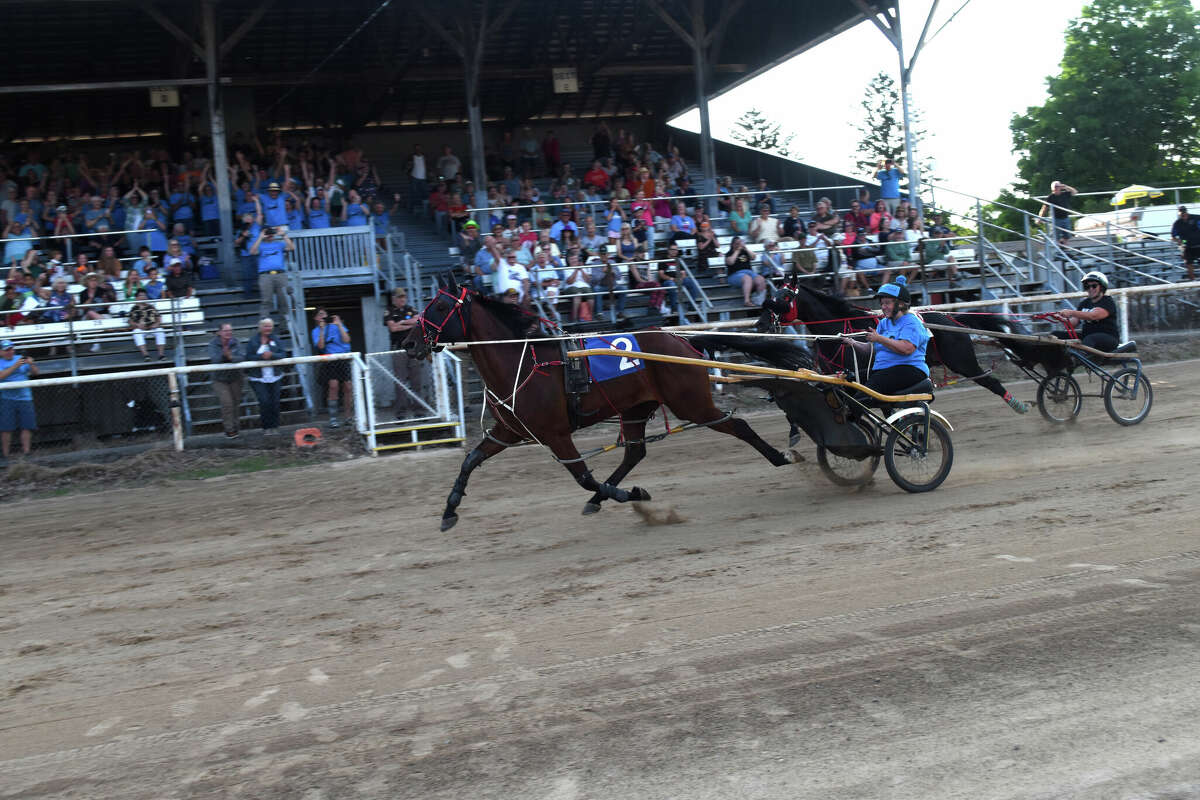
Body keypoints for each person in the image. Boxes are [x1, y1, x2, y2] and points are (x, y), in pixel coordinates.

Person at [839, 276, 931, 397]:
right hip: (884, 370)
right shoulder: (884, 323)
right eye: (882, 303)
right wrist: (852, 343)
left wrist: (879, 338)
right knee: (846, 382)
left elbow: (906, 349)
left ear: (901, 304)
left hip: (910, 370)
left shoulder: (911, 322)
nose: (883, 307)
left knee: (865, 393)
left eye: (887, 303)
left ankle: (852, 412)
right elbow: (870, 350)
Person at [384, 288, 425, 419]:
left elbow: (418, 320)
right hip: (398, 349)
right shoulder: (389, 311)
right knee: (400, 382)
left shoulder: (410, 309)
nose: (403, 299)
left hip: (413, 349)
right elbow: (393, 328)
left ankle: (418, 409)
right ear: (394, 298)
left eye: (404, 297)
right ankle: (401, 411)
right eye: (400, 297)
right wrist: (409, 325)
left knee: (416, 380)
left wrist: (402, 322)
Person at [311, 307, 353, 428]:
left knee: (348, 387)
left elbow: (347, 340)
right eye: (320, 315)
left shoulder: (336, 326)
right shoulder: (315, 331)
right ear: (316, 318)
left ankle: (348, 416)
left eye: (324, 314)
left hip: (343, 358)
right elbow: (320, 346)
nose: (323, 316)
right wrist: (322, 329)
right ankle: (333, 418)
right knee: (333, 386)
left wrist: (339, 325)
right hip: (330, 360)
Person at [244, 318, 287, 436]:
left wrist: (272, 355)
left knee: (275, 402)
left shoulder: (276, 339)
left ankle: (275, 426)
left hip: (275, 377)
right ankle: (266, 427)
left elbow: (283, 354)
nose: (268, 328)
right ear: (260, 327)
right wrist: (261, 356)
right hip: (258, 378)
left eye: (270, 326)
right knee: (264, 402)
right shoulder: (253, 341)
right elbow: (248, 357)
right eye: (265, 326)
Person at [1057, 271, 1118, 352]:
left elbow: (1093, 316)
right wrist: (1061, 319)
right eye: (1087, 286)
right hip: (1087, 337)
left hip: (1109, 338)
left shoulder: (1107, 301)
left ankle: (1079, 361)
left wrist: (1071, 312)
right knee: (1056, 335)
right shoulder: (1084, 303)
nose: (1090, 289)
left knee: (1090, 339)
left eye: (1094, 286)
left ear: (1102, 287)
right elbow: (1073, 323)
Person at [0, 339, 38, 461]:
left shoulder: (20, 358)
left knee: (26, 426)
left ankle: (27, 453)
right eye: (6, 350)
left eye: (10, 349)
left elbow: (36, 373)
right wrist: (15, 366)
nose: (9, 352)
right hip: (7, 398)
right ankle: (5, 455)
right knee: (6, 428)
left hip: (25, 398)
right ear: (0, 352)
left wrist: (31, 364)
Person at [248, 227, 294, 324]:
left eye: (271, 233)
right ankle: (264, 324)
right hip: (265, 276)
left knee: (283, 300)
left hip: (280, 274)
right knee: (266, 301)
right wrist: (260, 237)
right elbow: (252, 252)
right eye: (268, 233)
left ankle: (285, 326)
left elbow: (291, 248)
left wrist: (283, 235)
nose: (270, 235)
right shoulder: (261, 245)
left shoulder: (279, 244)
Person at [208, 322, 244, 438]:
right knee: (227, 403)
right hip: (219, 379)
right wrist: (225, 357)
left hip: (235, 377)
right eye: (225, 330)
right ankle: (229, 429)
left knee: (236, 403)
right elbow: (214, 359)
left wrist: (231, 357)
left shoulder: (236, 342)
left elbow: (242, 357)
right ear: (219, 332)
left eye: (230, 330)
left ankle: (236, 426)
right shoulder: (213, 344)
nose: (229, 332)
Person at [725, 236, 766, 307]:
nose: (739, 245)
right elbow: (730, 262)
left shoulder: (745, 251)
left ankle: (759, 301)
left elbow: (754, 257)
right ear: (732, 244)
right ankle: (747, 301)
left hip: (749, 272)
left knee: (760, 279)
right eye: (737, 243)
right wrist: (737, 251)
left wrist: (746, 248)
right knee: (747, 278)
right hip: (735, 274)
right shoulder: (729, 253)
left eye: (740, 243)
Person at [128, 289, 167, 361]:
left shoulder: (151, 307)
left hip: (152, 327)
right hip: (141, 328)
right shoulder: (134, 308)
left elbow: (158, 317)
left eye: (144, 295)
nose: (143, 297)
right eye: (141, 295)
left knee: (160, 330)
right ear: (137, 298)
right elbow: (130, 321)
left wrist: (156, 324)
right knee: (136, 332)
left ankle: (161, 355)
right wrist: (137, 325)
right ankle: (146, 355)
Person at [1038, 180, 1078, 245]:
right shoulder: (1050, 197)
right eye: (1055, 187)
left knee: (1067, 236)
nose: (1056, 188)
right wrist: (1040, 218)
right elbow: (1044, 208)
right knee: (1056, 237)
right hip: (1056, 219)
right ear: (1052, 188)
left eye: (1058, 186)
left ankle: (1064, 250)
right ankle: (1059, 249)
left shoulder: (1065, 194)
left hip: (1065, 218)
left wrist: (1065, 186)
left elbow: (1075, 192)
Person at [1170, 205, 1200, 281]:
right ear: (1179, 214)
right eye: (1182, 214)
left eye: (1184, 213)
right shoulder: (1177, 223)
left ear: (1187, 212)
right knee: (1189, 264)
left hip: (1198, 244)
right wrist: (1178, 241)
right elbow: (1173, 236)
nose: (1184, 215)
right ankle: (1193, 281)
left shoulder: (1196, 218)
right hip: (1187, 246)